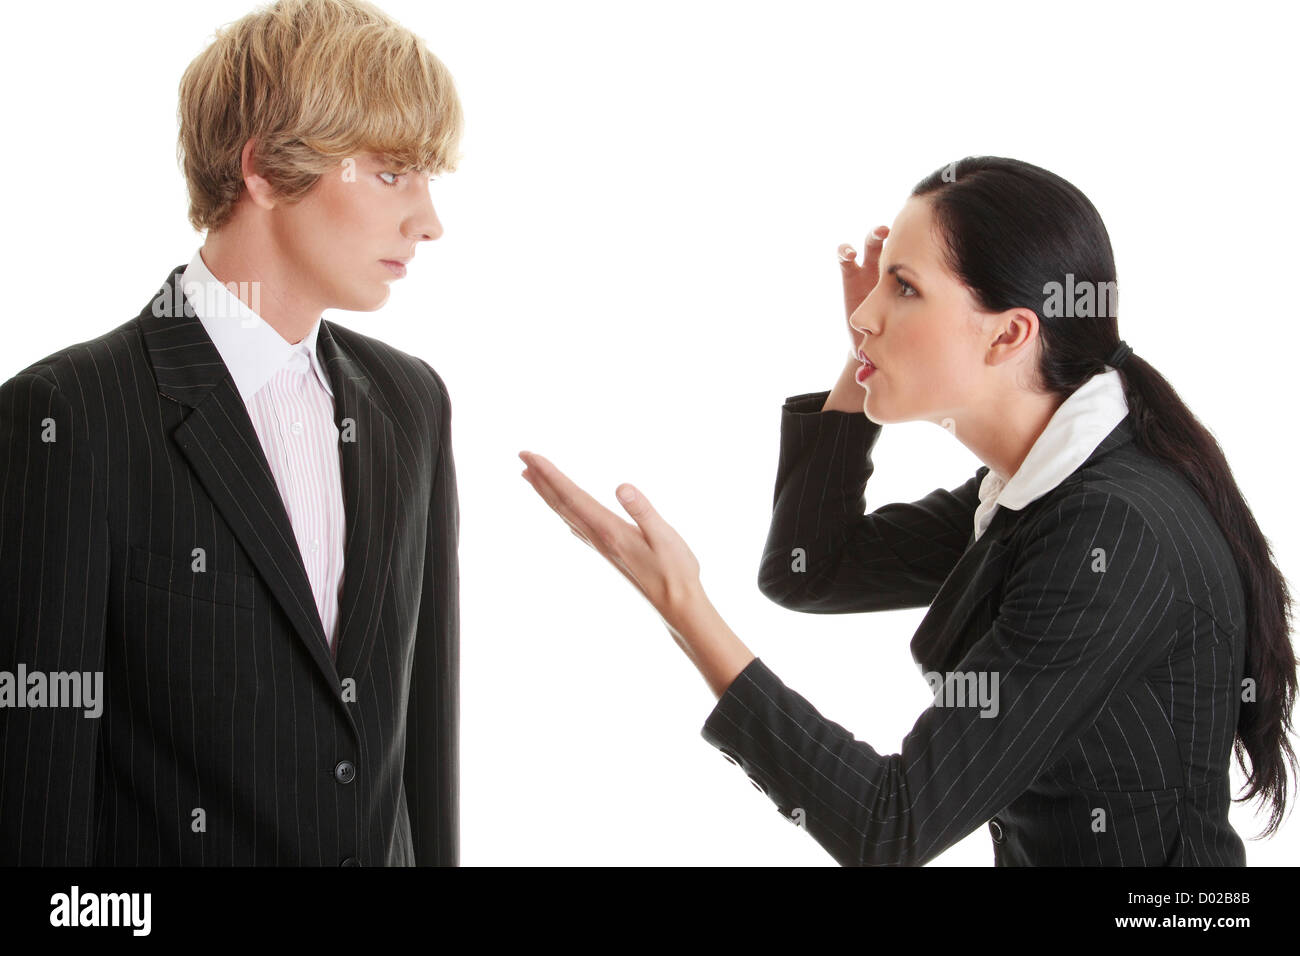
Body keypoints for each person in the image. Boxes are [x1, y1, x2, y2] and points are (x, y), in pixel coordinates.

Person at [519, 156, 1296, 865]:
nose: (864, 312)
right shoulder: (1045, 486)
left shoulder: (1108, 532)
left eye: (905, 288)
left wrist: (682, 606)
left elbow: (888, 827)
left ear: (1009, 335)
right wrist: (864, 359)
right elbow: (811, 571)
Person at [0, 0, 462, 865]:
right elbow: (36, 797)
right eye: (394, 173)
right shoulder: (70, 414)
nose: (429, 220)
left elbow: (421, 750)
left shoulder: (412, 404)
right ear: (264, 171)